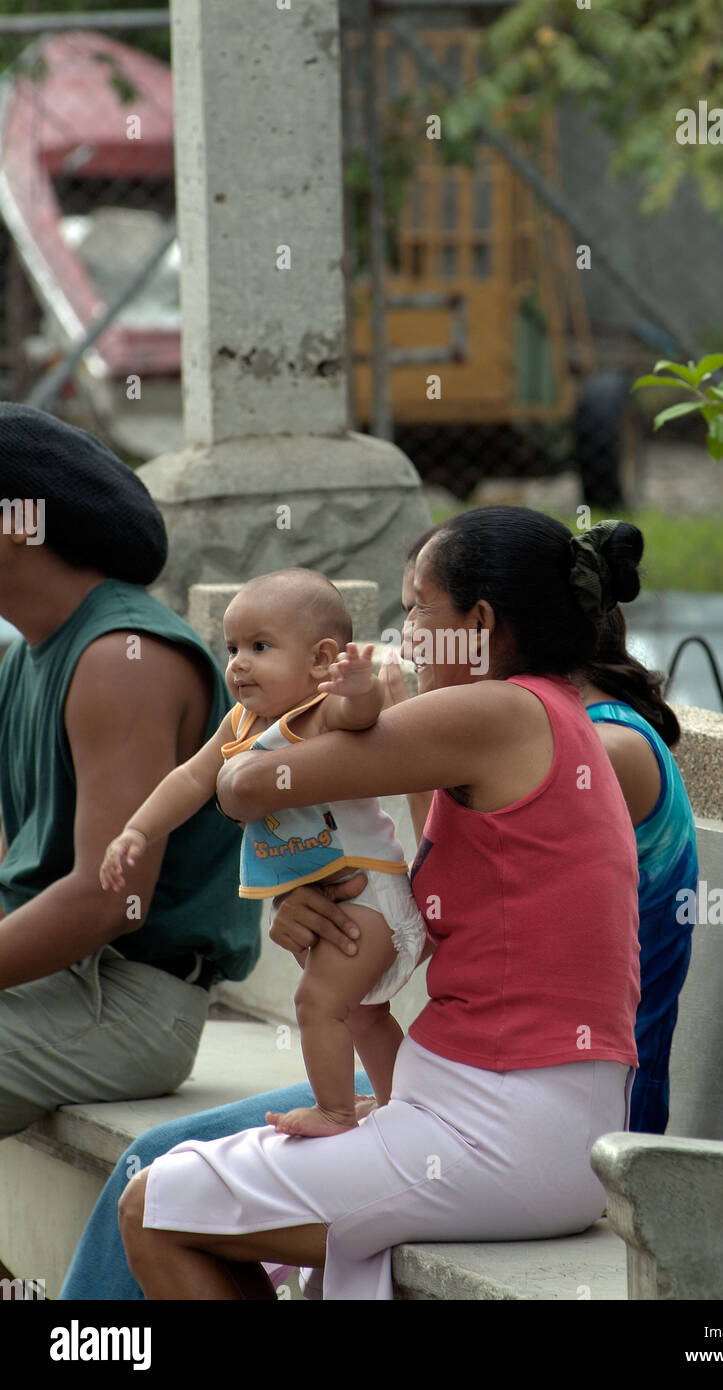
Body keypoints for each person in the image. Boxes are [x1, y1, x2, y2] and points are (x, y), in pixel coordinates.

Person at [115, 506, 642, 1300]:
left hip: (502, 1139)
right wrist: (304, 905)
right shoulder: (548, 717)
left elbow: (249, 784)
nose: (398, 636)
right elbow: (430, 926)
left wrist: (299, 721)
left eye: (415, 609)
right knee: (179, 1186)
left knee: (151, 1203)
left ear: (480, 623)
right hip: (521, 1128)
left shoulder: (495, 709)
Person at [0, 403, 260, 1270]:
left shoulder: (118, 658)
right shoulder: (26, 656)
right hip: (52, 985)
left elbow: (114, 896)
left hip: (125, 1005)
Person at [100, 568, 426, 1136]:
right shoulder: (241, 723)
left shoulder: (320, 711)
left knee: (315, 1004)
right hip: (342, 903)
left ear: (322, 659)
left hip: (371, 893)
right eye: (232, 649)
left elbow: (362, 716)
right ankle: (401, 1106)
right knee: (363, 1013)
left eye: (260, 646)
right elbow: (190, 779)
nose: (238, 663)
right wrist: (136, 831)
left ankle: (334, 1110)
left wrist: (358, 686)